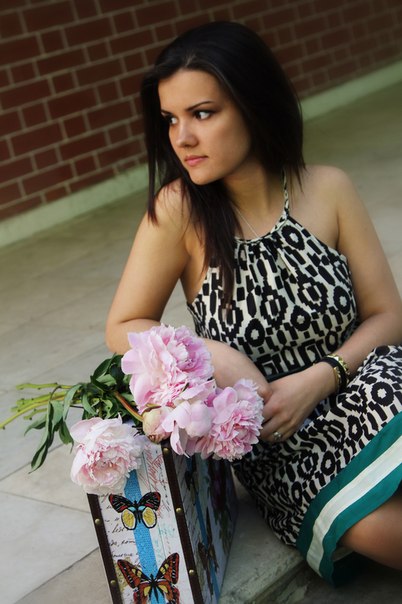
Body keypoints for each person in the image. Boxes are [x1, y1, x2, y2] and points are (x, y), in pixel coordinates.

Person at [106, 21, 402, 584]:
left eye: (202, 113)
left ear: (254, 104)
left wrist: (322, 376)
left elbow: (389, 315)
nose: (182, 138)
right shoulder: (179, 211)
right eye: (170, 119)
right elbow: (123, 323)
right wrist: (212, 353)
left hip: (369, 385)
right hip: (285, 445)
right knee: (373, 529)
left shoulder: (328, 188)